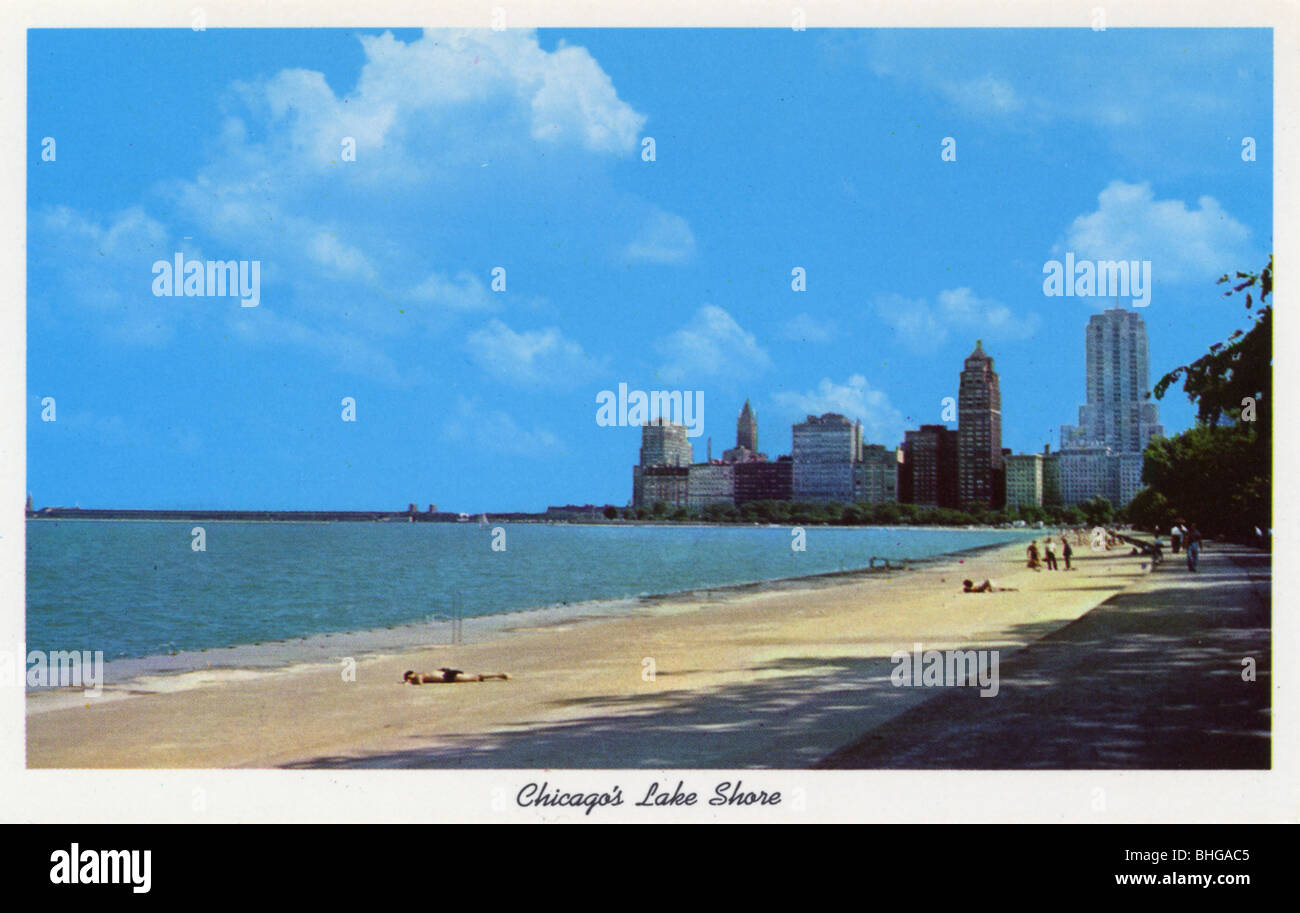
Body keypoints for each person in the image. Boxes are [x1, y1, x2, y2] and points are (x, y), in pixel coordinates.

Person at [403, 668, 511, 684]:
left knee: (477, 677)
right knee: (476, 677)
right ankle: (499, 675)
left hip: (448, 676)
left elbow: (419, 681)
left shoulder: (419, 675)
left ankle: (499, 675)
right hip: (447, 673)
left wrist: (409, 682)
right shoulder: (425, 671)